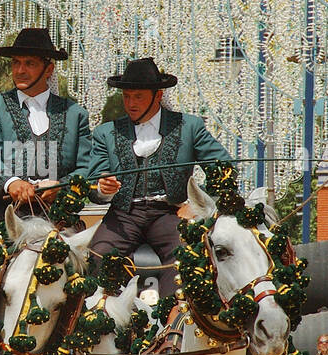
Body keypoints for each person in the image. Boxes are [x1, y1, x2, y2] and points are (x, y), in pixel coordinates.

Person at [87, 57, 232, 296]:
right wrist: (103, 188)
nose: (130, 104)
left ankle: (173, 323)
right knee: (98, 254)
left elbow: (224, 169)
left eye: (138, 97)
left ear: (158, 95)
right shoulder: (106, 132)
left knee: (187, 257)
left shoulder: (189, 126)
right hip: (123, 215)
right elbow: (94, 182)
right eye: (126, 97)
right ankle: (104, 322)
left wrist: (197, 206)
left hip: (169, 213)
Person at [0, 27, 94, 284]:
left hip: (56, 211)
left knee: (83, 264)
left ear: (49, 69)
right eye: (16, 63)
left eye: (29, 63)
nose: (20, 70)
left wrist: (61, 185)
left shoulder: (76, 113)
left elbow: (86, 167)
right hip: (3, 208)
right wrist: (12, 183)